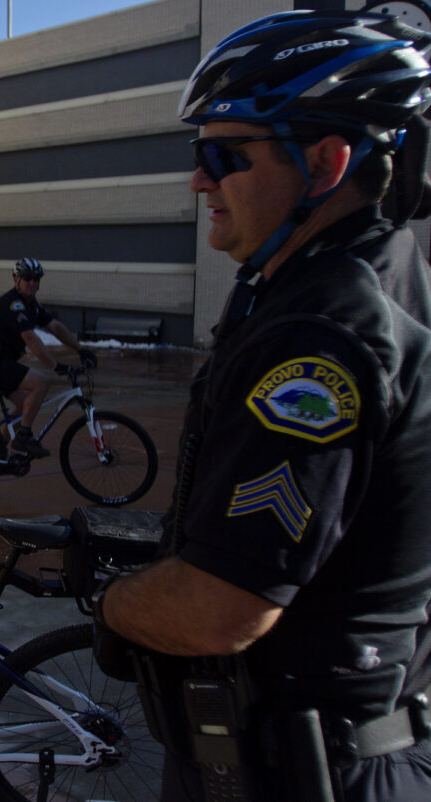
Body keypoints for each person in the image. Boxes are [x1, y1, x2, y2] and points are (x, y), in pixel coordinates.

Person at [93, 10, 431, 802]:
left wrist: (113, 604)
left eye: (225, 154)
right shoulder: (373, 277)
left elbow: (220, 610)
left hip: (307, 772)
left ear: (326, 162)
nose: (199, 179)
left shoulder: (321, 334)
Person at [0, 257, 96, 458]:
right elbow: (31, 339)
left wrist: (81, 350)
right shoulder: (14, 305)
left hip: (1, 361)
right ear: (16, 280)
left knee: (25, 405)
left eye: (36, 279)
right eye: (27, 278)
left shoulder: (31, 304)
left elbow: (55, 327)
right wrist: (55, 366)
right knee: (40, 383)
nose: (32, 283)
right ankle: (23, 437)